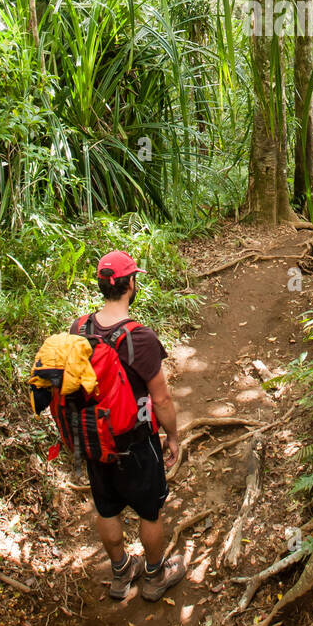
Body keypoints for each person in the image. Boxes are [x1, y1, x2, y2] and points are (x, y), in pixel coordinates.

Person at [70, 250, 186, 602]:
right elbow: (162, 399)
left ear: (103, 285)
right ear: (131, 285)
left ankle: (121, 573)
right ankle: (154, 576)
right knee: (150, 511)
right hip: (135, 442)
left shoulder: (78, 328)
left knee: (106, 508)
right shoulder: (141, 338)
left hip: (93, 439)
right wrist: (173, 437)